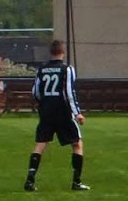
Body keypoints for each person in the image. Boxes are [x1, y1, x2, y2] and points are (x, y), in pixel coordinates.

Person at [24, 39, 88, 192]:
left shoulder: (41, 69)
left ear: (51, 52)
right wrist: (77, 112)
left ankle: (30, 180)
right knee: (77, 144)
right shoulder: (67, 69)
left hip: (46, 111)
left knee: (40, 144)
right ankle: (76, 182)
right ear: (63, 52)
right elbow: (69, 92)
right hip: (63, 112)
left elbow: (36, 92)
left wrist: (44, 103)